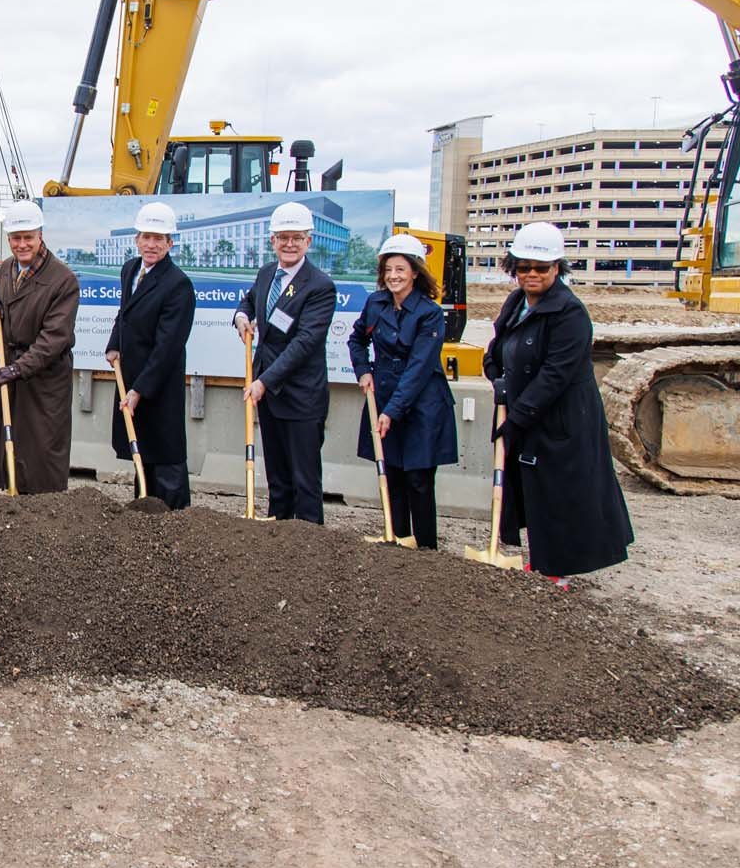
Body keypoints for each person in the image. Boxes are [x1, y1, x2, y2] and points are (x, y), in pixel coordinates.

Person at [484, 221, 632, 587]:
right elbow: (500, 346)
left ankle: (556, 571)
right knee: (532, 491)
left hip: (560, 420)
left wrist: (517, 418)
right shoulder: (517, 301)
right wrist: (494, 370)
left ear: (557, 269)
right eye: (524, 267)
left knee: (558, 494)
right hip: (526, 412)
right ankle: (539, 560)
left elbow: (554, 375)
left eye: (541, 268)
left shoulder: (570, 314)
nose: (531, 274)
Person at [346, 233, 457, 549]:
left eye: (401, 270)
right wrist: (363, 370)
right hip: (382, 394)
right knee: (391, 474)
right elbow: (357, 340)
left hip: (423, 406)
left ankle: (425, 549)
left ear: (415, 272)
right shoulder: (376, 303)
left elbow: (419, 369)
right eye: (388, 270)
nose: (393, 276)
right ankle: (397, 541)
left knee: (418, 479)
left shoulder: (429, 313)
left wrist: (391, 411)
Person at [235, 201, 337, 524]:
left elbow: (304, 344)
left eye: (296, 237)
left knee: (305, 481)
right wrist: (241, 316)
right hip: (270, 396)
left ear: (309, 241)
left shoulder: (320, 286)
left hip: (301, 397)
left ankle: (309, 548)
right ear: (272, 241)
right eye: (283, 237)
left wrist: (263, 381)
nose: (289, 244)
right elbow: (251, 299)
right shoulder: (267, 273)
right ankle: (277, 541)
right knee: (278, 479)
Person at [0, 199, 80, 494]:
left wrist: (18, 368)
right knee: (10, 448)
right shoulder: (8, 269)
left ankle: (43, 514)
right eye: (16, 238)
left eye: (28, 237)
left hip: (42, 379)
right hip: (10, 371)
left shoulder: (62, 280)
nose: (22, 244)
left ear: (40, 236)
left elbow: (54, 338)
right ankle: (13, 503)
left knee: (41, 452)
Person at [104, 201, 195, 509]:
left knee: (165, 453)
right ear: (137, 239)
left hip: (159, 383)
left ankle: (174, 518)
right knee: (140, 449)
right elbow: (124, 314)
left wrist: (139, 389)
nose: (152, 244)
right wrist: (113, 343)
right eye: (147, 237)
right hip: (131, 375)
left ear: (170, 243)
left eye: (160, 239)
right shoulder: (130, 269)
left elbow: (168, 346)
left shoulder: (178, 285)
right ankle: (144, 514)